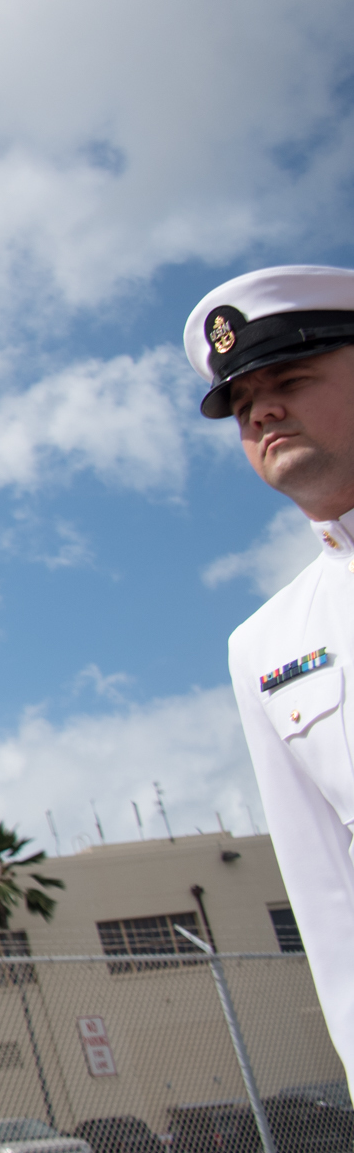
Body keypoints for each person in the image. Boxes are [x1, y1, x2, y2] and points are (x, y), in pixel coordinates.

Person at [188, 265, 354, 1074]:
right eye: (245, 404)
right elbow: (326, 893)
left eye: (291, 378)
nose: (264, 412)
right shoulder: (266, 644)